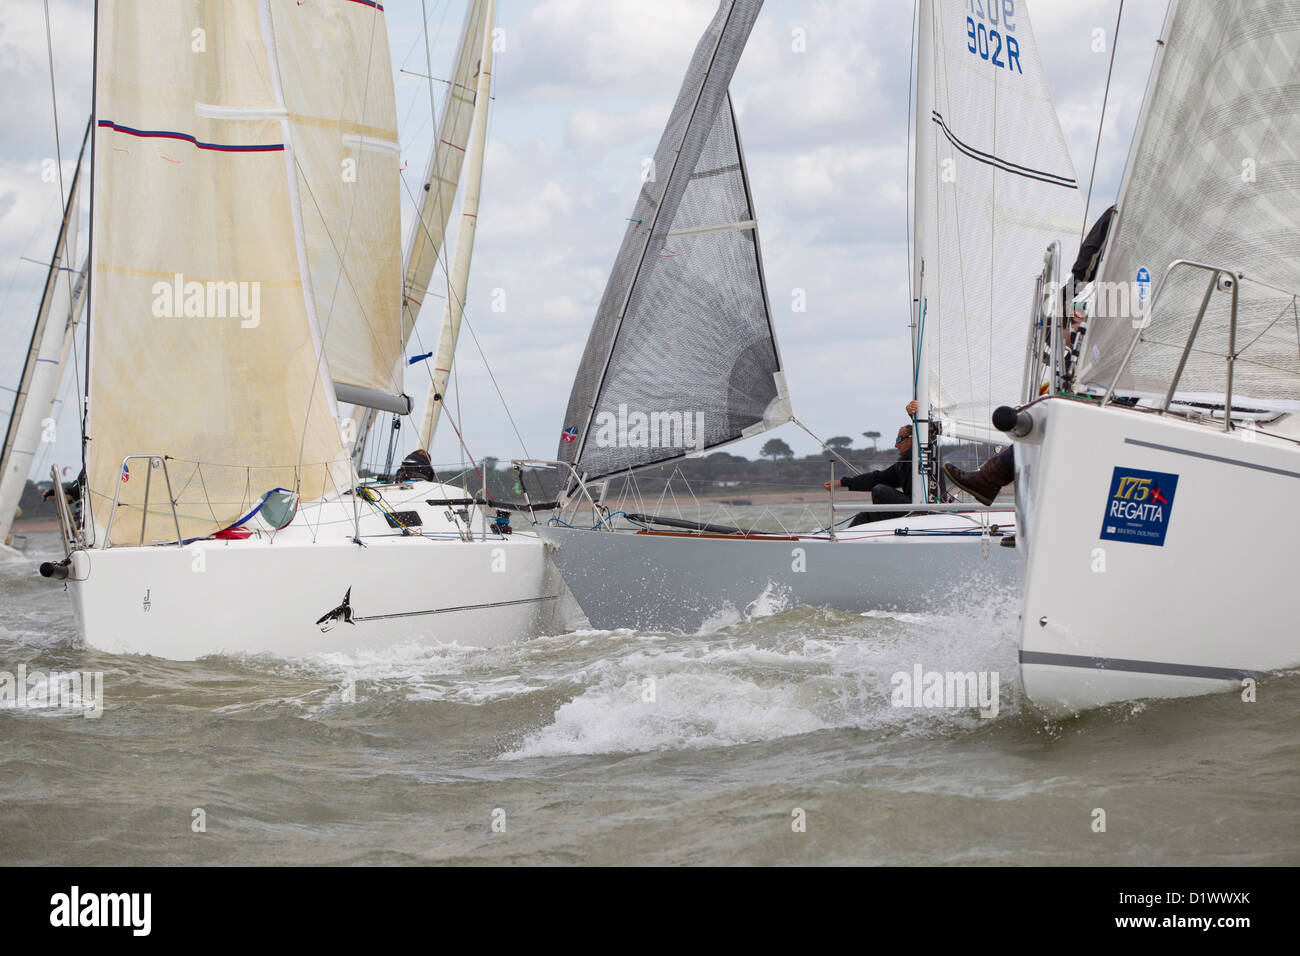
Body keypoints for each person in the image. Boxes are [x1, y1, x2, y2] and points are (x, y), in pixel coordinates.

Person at [826, 402, 918, 526]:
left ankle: (884, 528)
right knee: (865, 515)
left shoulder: (922, 453)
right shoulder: (902, 464)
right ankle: (845, 541)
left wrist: (914, 416)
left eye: (898, 440)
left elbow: (924, 437)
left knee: (880, 491)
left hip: (924, 509)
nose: (896, 445)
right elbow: (876, 478)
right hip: (912, 507)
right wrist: (842, 482)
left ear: (911, 439)